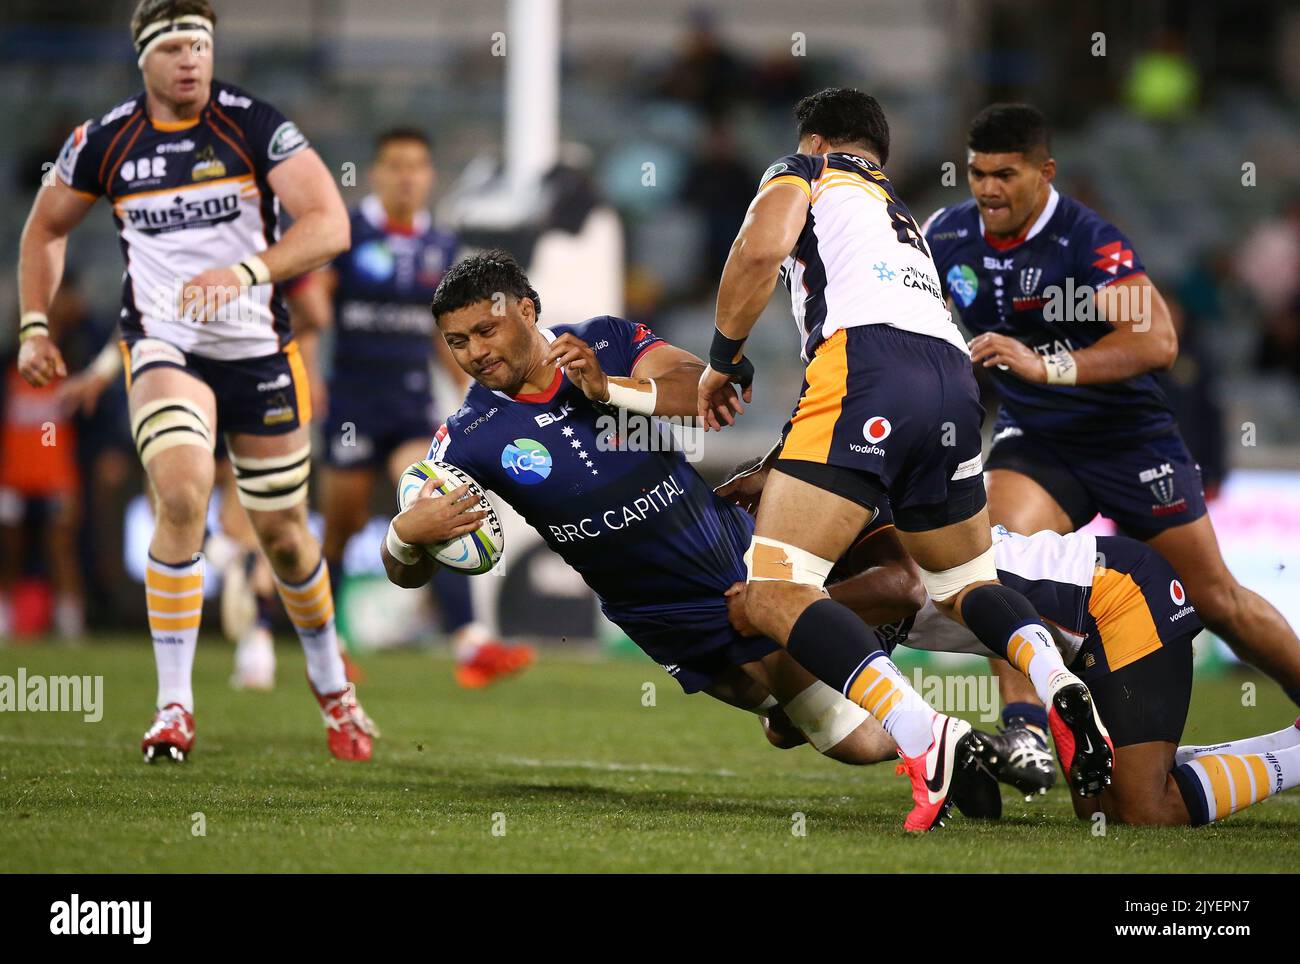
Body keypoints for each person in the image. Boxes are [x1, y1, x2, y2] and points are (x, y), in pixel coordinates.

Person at [381, 250, 1003, 830]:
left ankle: (971, 724)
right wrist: (405, 539)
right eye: (457, 342)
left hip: (727, 545)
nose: (473, 353)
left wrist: (609, 389)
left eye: (485, 332)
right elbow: (408, 567)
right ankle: (898, 703)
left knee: (885, 627)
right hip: (661, 611)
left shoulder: (604, 340)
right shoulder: (467, 435)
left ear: (525, 310)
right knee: (836, 734)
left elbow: (707, 393)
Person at [694, 87, 1110, 828]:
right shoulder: (903, 219)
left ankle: (925, 734)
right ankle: (1056, 684)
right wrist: (786, 461)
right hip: (952, 381)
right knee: (962, 582)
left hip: (868, 368)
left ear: (817, 143)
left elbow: (758, 249)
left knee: (775, 591)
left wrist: (721, 360)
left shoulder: (808, 171)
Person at [15, 0, 376, 761]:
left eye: (202, 46)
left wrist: (247, 270)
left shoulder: (252, 123)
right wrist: (36, 325)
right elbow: (45, 228)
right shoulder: (103, 141)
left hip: (258, 351)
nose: (192, 61)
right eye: (175, 47)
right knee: (180, 495)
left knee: (282, 535)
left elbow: (329, 223)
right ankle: (173, 705)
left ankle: (329, 684)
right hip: (163, 345)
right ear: (143, 57)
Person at [923, 104, 1300, 755]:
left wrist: (1048, 366)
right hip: (1038, 442)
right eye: (979, 173)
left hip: (1130, 442)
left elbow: (1157, 340)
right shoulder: (949, 234)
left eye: (1005, 174)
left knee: (1217, 602)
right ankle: (1026, 730)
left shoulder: (1087, 242)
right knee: (994, 560)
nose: (988, 188)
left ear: (1045, 172)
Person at [729, 484, 1300, 827]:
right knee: (1101, 810)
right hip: (1082, 627)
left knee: (1145, 810)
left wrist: (776, 607)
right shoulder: (833, 567)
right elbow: (794, 722)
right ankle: (1285, 743)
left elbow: (899, 588)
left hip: (1118, 595)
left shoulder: (858, 537)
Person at [289, 127, 534, 688]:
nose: (407, 177)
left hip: (409, 405)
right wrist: (305, 370)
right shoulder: (348, 232)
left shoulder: (441, 247)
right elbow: (313, 310)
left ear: (428, 176)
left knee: (437, 503)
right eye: (396, 165)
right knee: (343, 527)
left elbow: (444, 336)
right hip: (352, 405)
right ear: (376, 171)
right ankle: (326, 644)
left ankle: (472, 643)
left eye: (417, 167)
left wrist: (482, 393)